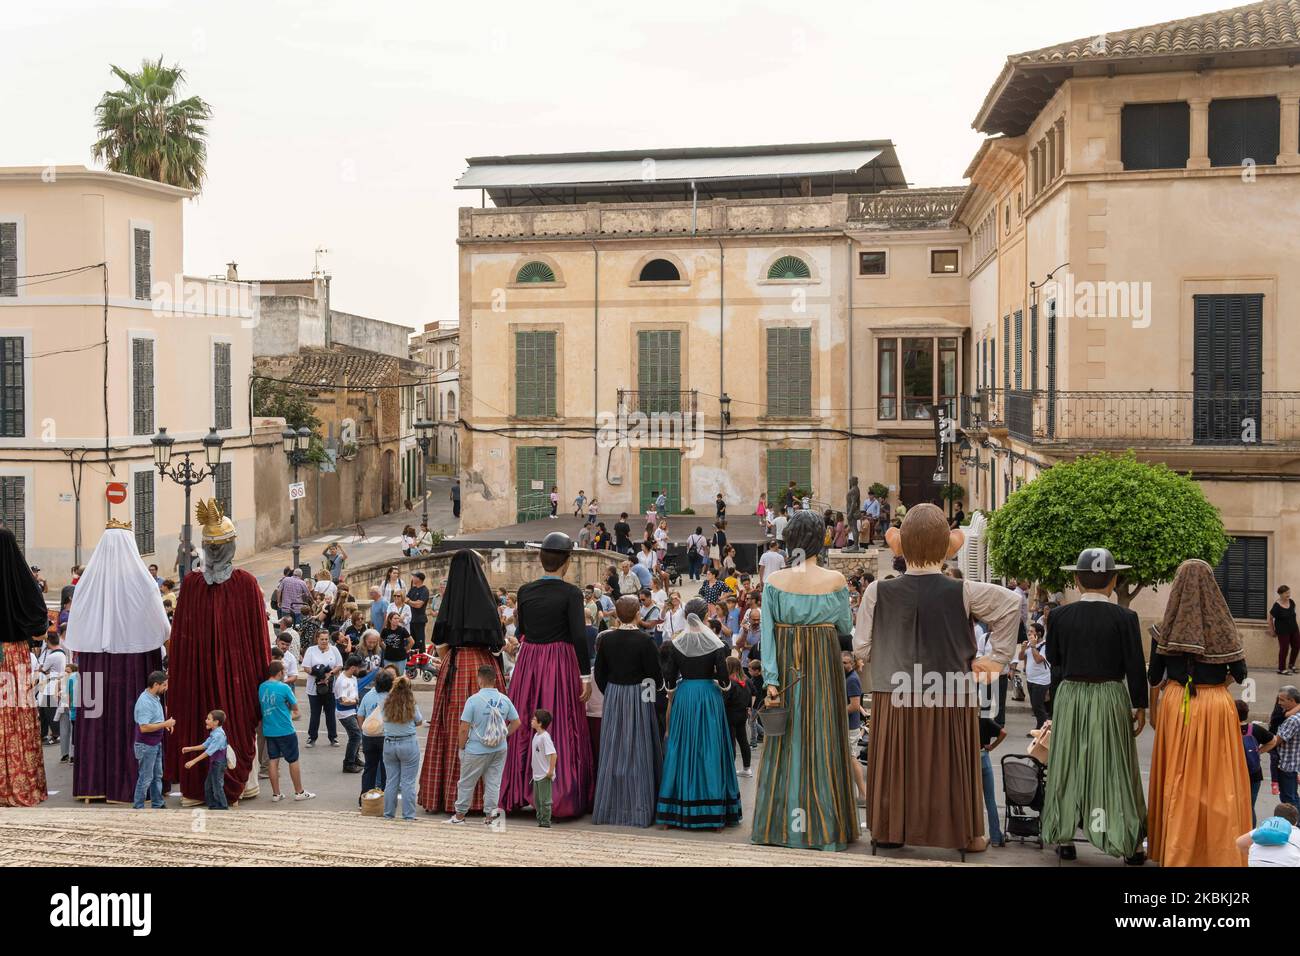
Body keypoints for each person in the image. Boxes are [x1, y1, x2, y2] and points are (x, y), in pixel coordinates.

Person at [854, 504, 1020, 855]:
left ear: (900, 546)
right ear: (948, 547)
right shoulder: (964, 590)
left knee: (897, 767)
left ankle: (889, 831)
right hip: (950, 692)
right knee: (951, 768)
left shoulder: (876, 592)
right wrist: (996, 660)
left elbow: (862, 647)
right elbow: (1010, 606)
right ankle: (965, 834)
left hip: (894, 691)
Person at [750, 511, 857, 850]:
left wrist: (770, 680)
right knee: (823, 736)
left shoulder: (775, 582)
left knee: (786, 742)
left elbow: (767, 634)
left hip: (785, 664)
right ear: (820, 538)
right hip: (823, 665)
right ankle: (824, 825)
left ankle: (782, 825)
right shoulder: (836, 580)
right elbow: (844, 627)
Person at [1040, 548, 1149, 864]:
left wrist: (1053, 705)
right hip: (1110, 694)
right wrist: (1139, 705)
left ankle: (1064, 838)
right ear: (1114, 580)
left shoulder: (1059, 616)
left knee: (1068, 764)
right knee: (1115, 766)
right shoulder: (1126, 617)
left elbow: (1055, 662)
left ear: (1076, 579)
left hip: (1071, 695)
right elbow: (1133, 665)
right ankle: (1130, 844)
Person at [1147, 558, 1252, 867]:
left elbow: (1154, 678)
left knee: (1177, 778)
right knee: (1217, 782)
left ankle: (1177, 849)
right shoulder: (1225, 628)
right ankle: (1216, 852)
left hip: (1177, 704)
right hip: (1216, 705)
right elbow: (1242, 674)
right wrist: (1218, 680)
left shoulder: (1163, 631)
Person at [164, 499, 269, 806]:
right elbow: (259, 639)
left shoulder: (191, 584)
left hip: (197, 676)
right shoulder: (246, 583)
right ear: (230, 547)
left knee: (199, 717)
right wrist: (260, 676)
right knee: (236, 722)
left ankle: (195, 792)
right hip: (238, 675)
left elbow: (179, 641)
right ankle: (241, 786)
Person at [63, 520, 172, 803]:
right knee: (132, 716)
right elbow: (162, 629)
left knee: (93, 717)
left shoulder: (86, 584)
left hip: (93, 666)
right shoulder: (144, 583)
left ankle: (92, 784)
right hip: (136, 664)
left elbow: (76, 630)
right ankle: (136, 785)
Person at [501, 532, 595, 818]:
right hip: (559, 659)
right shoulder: (571, 593)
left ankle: (517, 790)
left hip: (530, 659)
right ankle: (560, 794)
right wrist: (585, 675)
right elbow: (579, 636)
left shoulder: (526, 591)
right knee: (562, 721)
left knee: (526, 719)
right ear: (566, 562)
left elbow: (521, 631)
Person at [418, 550, 509, 815]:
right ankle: (483, 800)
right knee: (487, 724)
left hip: (455, 666)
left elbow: (440, 642)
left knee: (452, 726)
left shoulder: (449, 600)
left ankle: (448, 797)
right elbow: (497, 646)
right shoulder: (486, 599)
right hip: (482, 665)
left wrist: (451, 659)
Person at [655, 601, 742, 831]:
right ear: (705, 617)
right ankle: (712, 813)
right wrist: (715, 681)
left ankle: (673, 808)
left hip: (685, 697)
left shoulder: (676, 643)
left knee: (680, 748)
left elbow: (670, 680)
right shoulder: (716, 644)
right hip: (707, 697)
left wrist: (676, 692)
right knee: (710, 748)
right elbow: (724, 680)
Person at [592, 595, 665, 827]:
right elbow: (655, 675)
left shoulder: (606, 640)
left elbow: (599, 674)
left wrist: (612, 692)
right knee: (639, 749)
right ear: (637, 614)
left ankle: (609, 808)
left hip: (614, 694)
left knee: (613, 750)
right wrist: (650, 700)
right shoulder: (645, 641)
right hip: (639, 694)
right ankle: (638, 809)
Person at [445, 664, 520, 825]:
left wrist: (461, 747)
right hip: (499, 748)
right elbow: (516, 722)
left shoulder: (473, 700)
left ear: (480, 679)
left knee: (466, 782)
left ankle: (459, 816)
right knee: (493, 783)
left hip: (476, 749)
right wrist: (504, 734)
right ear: (494, 680)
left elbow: (464, 728)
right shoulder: (504, 700)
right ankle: (490, 817)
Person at [259, 661, 314, 802]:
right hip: (285, 729)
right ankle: (299, 791)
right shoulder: (284, 688)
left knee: (273, 760)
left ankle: (276, 794)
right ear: (279, 672)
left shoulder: (262, 687)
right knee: (293, 760)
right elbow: (296, 711)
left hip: (269, 730)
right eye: (284, 671)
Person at [382, 676, 425, 820]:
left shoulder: (385, 703)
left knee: (391, 781)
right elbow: (418, 721)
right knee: (408, 782)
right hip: (408, 743)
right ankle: (408, 815)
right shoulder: (411, 704)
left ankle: (388, 813)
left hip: (389, 743)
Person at [132, 670, 173, 809]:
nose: (166, 688)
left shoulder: (154, 698)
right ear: (156, 684)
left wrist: (163, 724)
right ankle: (138, 807)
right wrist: (165, 724)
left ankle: (157, 803)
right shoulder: (145, 702)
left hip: (155, 743)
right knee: (146, 778)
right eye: (164, 685)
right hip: (146, 745)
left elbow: (153, 720)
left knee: (157, 776)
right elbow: (143, 727)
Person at [1238, 700, 1279, 826]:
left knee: (1234, 807)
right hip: (1254, 774)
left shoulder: (1227, 729)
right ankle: (1251, 834)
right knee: (1250, 807)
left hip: (1234, 773)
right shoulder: (1254, 729)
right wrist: (1258, 752)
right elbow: (1273, 740)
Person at [301, 630, 342, 748]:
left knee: (330, 713)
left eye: (326, 639)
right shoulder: (311, 650)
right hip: (314, 687)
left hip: (330, 687)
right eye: (322, 639)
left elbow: (339, 665)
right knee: (315, 713)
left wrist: (330, 674)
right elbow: (306, 667)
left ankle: (333, 737)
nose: (324, 641)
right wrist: (318, 675)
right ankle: (312, 737)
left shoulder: (334, 649)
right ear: (317, 639)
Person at [181, 710, 229, 810]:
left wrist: (193, 761)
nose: (205, 720)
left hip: (219, 763)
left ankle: (223, 806)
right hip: (215, 763)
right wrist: (190, 749)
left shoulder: (219, 735)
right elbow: (205, 745)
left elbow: (208, 752)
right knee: (208, 785)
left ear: (216, 722)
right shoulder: (214, 733)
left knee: (217, 786)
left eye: (208, 719)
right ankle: (213, 805)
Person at [358, 669, 393, 799]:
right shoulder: (392, 698)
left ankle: (364, 799)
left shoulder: (368, 696)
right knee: (385, 770)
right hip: (386, 737)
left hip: (369, 737)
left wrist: (364, 730)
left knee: (369, 768)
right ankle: (384, 799)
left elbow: (360, 715)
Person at [978, 716, 1006, 847]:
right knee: (990, 800)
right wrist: (992, 746)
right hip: (983, 756)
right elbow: (1003, 733)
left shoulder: (962, 721)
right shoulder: (985, 721)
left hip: (968, 760)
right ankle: (995, 837)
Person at [843, 651, 867, 806]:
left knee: (852, 758)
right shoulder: (847, 678)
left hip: (850, 726)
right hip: (849, 724)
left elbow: (854, 705)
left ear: (852, 663)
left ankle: (863, 795)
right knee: (850, 758)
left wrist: (836, 712)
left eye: (845, 662)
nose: (843, 665)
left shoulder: (851, 680)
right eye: (841, 662)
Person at [35, 633, 66, 745]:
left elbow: (42, 669)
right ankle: (45, 734)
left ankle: (55, 734)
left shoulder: (52, 656)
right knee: (45, 711)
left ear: (48, 642)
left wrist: (42, 669)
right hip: (55, 684)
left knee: (49, 711)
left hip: (49, 687)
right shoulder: (62, 653)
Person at [723, 658, 752, 778]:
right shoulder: (746, 681)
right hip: (742, 715)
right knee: (743, 741)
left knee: (731, 742)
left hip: (730, 716)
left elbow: (725, 700)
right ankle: (747, 768)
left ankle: (730, 769)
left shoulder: (730, 683)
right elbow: (751, 697)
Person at [335, 655, 364, 773]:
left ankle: (355, 758)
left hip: (353, 711)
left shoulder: (352, 678)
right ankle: (348, 763)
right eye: (358, 668)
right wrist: (356, 701)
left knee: (356, 736)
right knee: (356, 736)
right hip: (345, 713)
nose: (360, 670)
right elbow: (342, 701)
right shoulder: (342, 681)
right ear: (353, 667)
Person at [530, 709, 558, 828]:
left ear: (540, 723)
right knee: (537, 801)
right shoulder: (536, 736)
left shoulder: (545, 737)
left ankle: (545, 822)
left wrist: (550, 772)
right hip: (536, 775)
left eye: (534, 719)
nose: (532, 721)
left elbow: (553, 754)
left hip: (544, 775)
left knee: (545, 801)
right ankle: (540, 821)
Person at [1022, 620, 1052, 729]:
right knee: (1036, 706)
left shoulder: (1045, 646)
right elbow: (1021, 657)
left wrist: (1034, 647)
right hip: (1031, 679)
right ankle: (1044, 728)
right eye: (1028, 631)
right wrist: (1022, 649)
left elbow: (1039, 659)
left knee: (1038, 706)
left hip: (1041, 680)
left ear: (1039, 634)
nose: (1029, 634)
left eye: (1031, 632)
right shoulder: (1030, 644)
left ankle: (1041, 729)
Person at [1274, 685, 1300, 810]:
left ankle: (1295, 825)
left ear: (1292, 700)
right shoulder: (1294, 715)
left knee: (1289, 800)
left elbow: (1278, 740)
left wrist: (1259, 750)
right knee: (1293, 797)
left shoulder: (1293, 719)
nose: (1279, 703)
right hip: (1293, 764)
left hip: (1287, 765)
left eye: (1282, 700)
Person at [1270, 585, 1300, 675]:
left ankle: (1291, 664)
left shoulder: (1291, 602)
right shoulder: (1277, 606)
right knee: (1284, 649)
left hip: (1294, 628)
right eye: (1286, 593)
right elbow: (1270, 618)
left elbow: (1293, 614)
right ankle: (1281, 668)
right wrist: (1272, 630)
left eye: (1289, 592)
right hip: (1283, 631)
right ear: (1281, 594)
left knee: (1297, 646)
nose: (1289, 594)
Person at [379, 610, 413, 675]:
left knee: (399, 676)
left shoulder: (402, 630)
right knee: (388, 677)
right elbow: (380, 642)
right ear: (390, 620)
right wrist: (386, 648)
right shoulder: (385, 630)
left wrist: (405, 649)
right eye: (395, 618)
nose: (397, 620)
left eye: (398, 618)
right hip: (388, 658)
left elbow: (412, 642)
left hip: (400, 659)